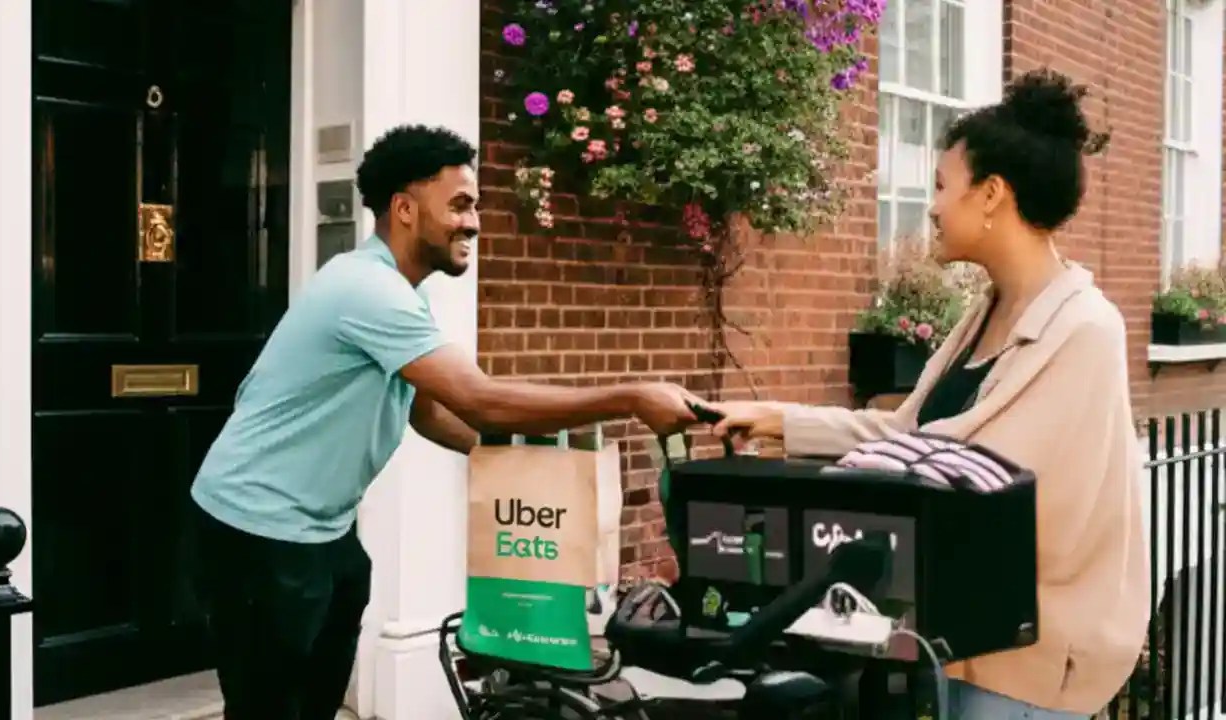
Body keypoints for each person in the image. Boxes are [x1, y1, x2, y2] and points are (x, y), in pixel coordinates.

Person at [188, 124, 702, 719]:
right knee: (267, 710)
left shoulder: (401, 293)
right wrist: (633, 397)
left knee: (315, 704)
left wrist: (522, 466)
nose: (474, 222)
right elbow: (478, 398)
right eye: (459, 204)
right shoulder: (366, 289)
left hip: (324, 532)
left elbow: (429, 410)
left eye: (474, 205)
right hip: (258, 532)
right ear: (404, 209)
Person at [707, 69, 1149, 719]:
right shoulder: (984, 315)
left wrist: (827, 486)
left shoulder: (1085, 329)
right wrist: (776, 421)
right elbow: (909, 435)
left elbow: (976, 476)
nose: (934, 206)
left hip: (1029, 668)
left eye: (943, 186)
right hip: (960, 646)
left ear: (992, 194)